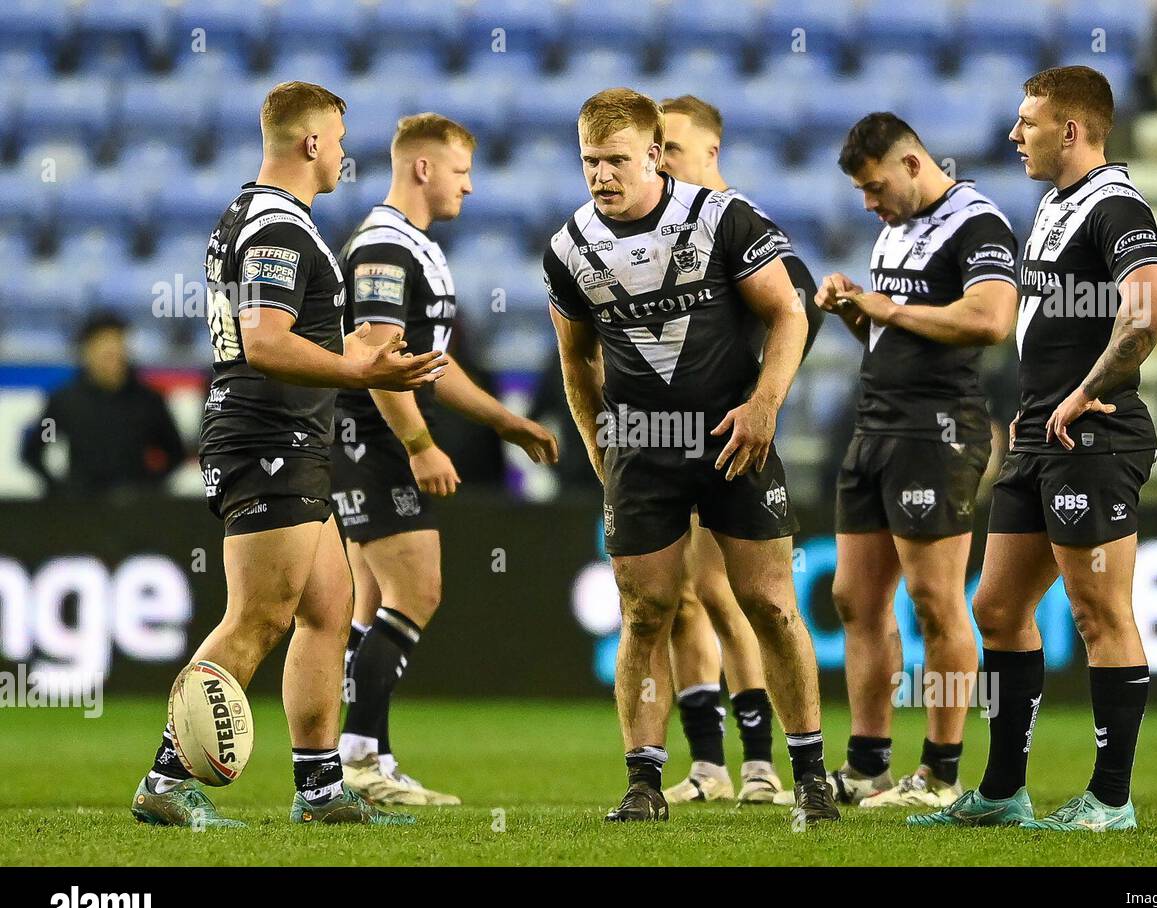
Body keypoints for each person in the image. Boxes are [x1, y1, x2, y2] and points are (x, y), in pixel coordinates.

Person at [130, 81, 445, 828]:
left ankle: (321, 789)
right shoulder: (278, 227)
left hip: (292, 441)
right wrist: (360, 370)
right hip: (264, 439)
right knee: (259, 617)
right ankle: (166, 781)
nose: (343, 152)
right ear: (309, 142)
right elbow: (266, 342)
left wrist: (357, 351)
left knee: (329, 608)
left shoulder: (261, 217)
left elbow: (288, 332)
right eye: (336, 138)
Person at [543, 88, 837, 824]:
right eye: (589, 161)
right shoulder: (569, 249)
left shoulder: (721, 219)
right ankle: (644, 782)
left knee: (769, 603)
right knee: (645, 614)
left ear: (654, 152)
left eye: (616, 160)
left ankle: (809, 773)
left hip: (735, 440)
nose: (601, 175)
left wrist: (766, 406)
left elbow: (789, 313)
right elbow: (576, 364)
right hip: (642, 450)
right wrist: (600, 450)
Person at [912, 65, 1157, 832]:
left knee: (1099, 613)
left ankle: (1112, 801)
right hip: (1038, 435)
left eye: (1025, 122)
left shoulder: (1115, 203)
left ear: (1070, 130)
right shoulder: (1058, 206)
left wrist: (1088, 388)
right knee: (996, 607)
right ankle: (1001, 791)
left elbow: (1151, 307)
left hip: (1092, 435)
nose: (1011, 134)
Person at [332, 112, 558, 805]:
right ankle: (359, 765)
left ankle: (362, 760)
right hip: (373, 441)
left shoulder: (414, 246)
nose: (470, 186)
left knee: (370, 605)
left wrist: (507, 420)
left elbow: (431, 365)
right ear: (423, 168)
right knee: (417, 591)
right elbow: (372, 360)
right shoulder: (382, 247)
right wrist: (421, 443)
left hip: (376, 439)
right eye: (461, 172)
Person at [813, 113, 1019, 810]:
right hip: (877, 423)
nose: (869, 203)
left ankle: (940, 772)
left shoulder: (977, 221)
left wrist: (890, 311)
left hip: (937, 429)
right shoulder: (895, 228)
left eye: (874, 188)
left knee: (934, 599)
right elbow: (890, 329)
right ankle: (869, 763)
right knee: (855, 598)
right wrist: (853, 309)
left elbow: (991, 320)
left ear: (910, 164)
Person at [655, 94, 824, 805]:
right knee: (685, 598)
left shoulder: (738, 220)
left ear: (712, 152)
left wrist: (761, 400)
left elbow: (801, 303)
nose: (660, 160)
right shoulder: (659, 227)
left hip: (728, 437)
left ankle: (759, 760)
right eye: (653, 148)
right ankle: (710, 764)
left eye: (672, 146)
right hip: (668, 441)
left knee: (738, 596)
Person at [21, 312, 185, 498]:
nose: (111, 351)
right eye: (102, 343)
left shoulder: (149, 401)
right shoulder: (64, 402)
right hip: (81, 509)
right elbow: (36, 448)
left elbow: (174, 451)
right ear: (86, 350)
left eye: (117, 342)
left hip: (135, 510)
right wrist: (59, 489)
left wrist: (150, 487)